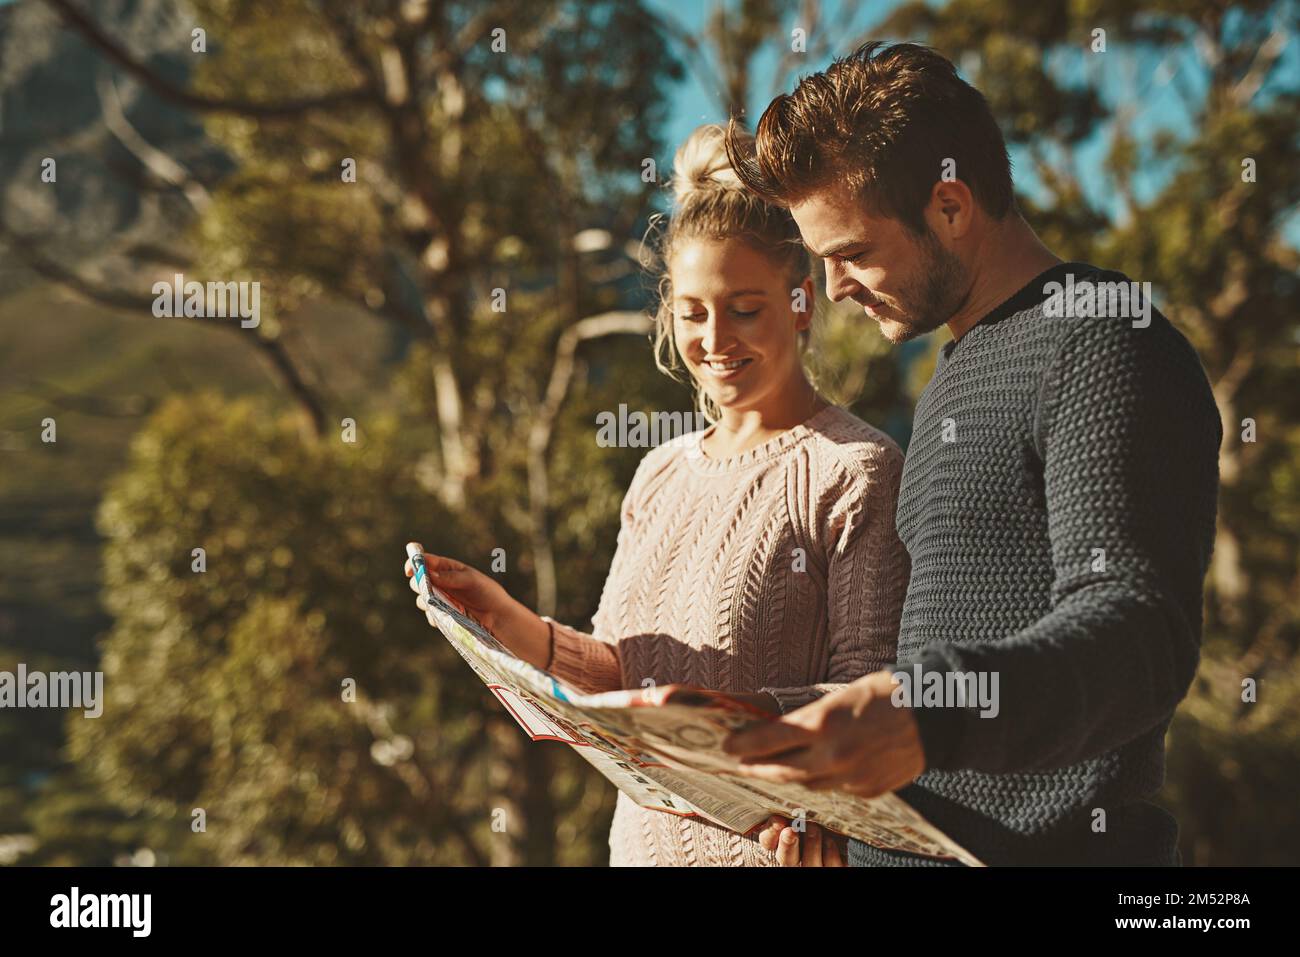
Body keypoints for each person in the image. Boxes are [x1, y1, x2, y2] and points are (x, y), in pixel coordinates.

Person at [721, 42, 1223, 867]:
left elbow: (1137, 633)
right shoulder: (952, 376)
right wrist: (852, 822)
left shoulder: (1103, 341)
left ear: (950, 205)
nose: (834, 285)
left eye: (851, 252)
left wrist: (927, 712)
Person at [406, 124, 909, 866]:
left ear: (802, 301)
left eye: (745, 308)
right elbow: (621, 679)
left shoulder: (855, 468)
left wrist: (811, 813)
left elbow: (873, 695)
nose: (715, 339)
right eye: (694, 311)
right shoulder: (658, 475)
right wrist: (509, 621)